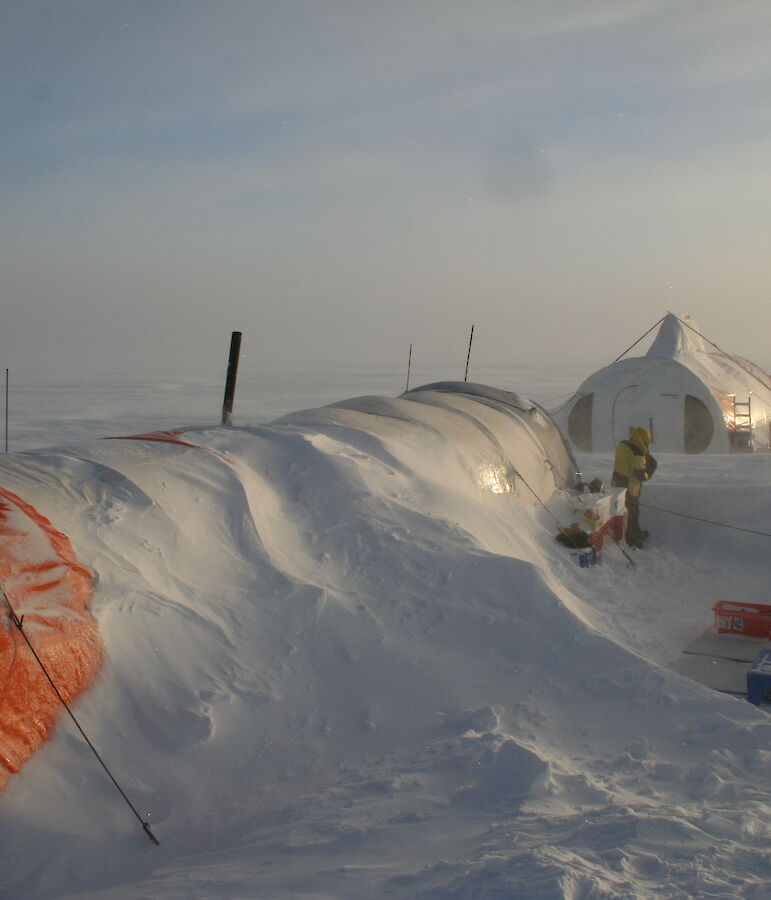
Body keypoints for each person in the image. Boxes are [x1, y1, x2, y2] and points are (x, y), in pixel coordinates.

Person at [611, 426, 657, 548]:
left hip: (617, 482)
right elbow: (639, 474)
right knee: (632, 512)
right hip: (630, 486)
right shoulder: (637, 452)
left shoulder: (623, 446)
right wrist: (647, 475)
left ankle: (634, 533)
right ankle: (631, 539)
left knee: (622, 510)